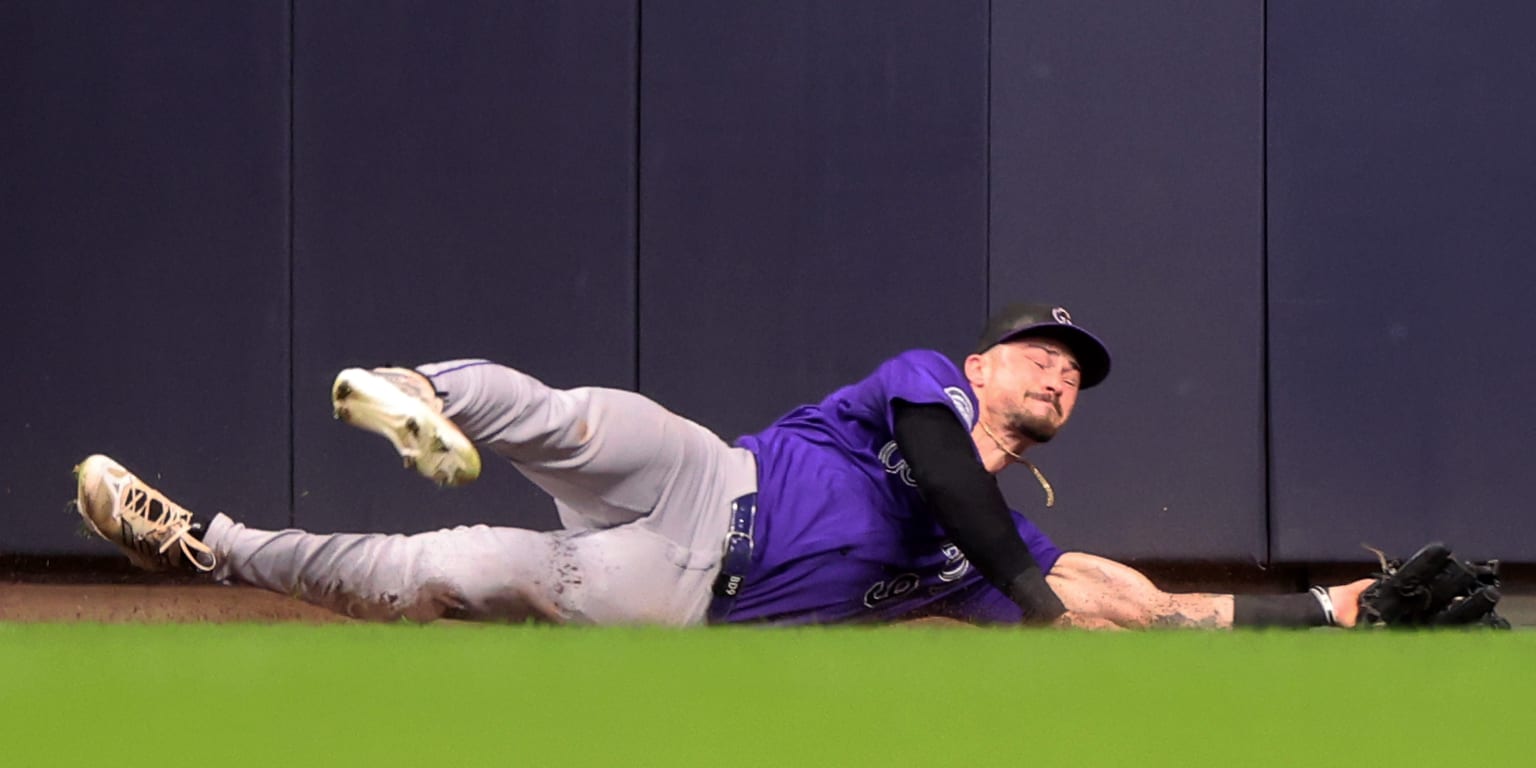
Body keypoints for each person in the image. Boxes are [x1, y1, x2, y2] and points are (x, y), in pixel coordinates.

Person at [72, 303, 1373, 628]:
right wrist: (1030, 601)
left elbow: (1136, 607)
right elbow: (944, 467)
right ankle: (418, 393)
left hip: (678, 595)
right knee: (581, 417)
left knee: (437, 569)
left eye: (1076, 373)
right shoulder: (926, 384)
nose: (1059, 371)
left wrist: (1326, 611)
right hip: (713, 482)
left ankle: (200, 543)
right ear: (984, 364)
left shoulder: (1004, 554)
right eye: (1040, 349)